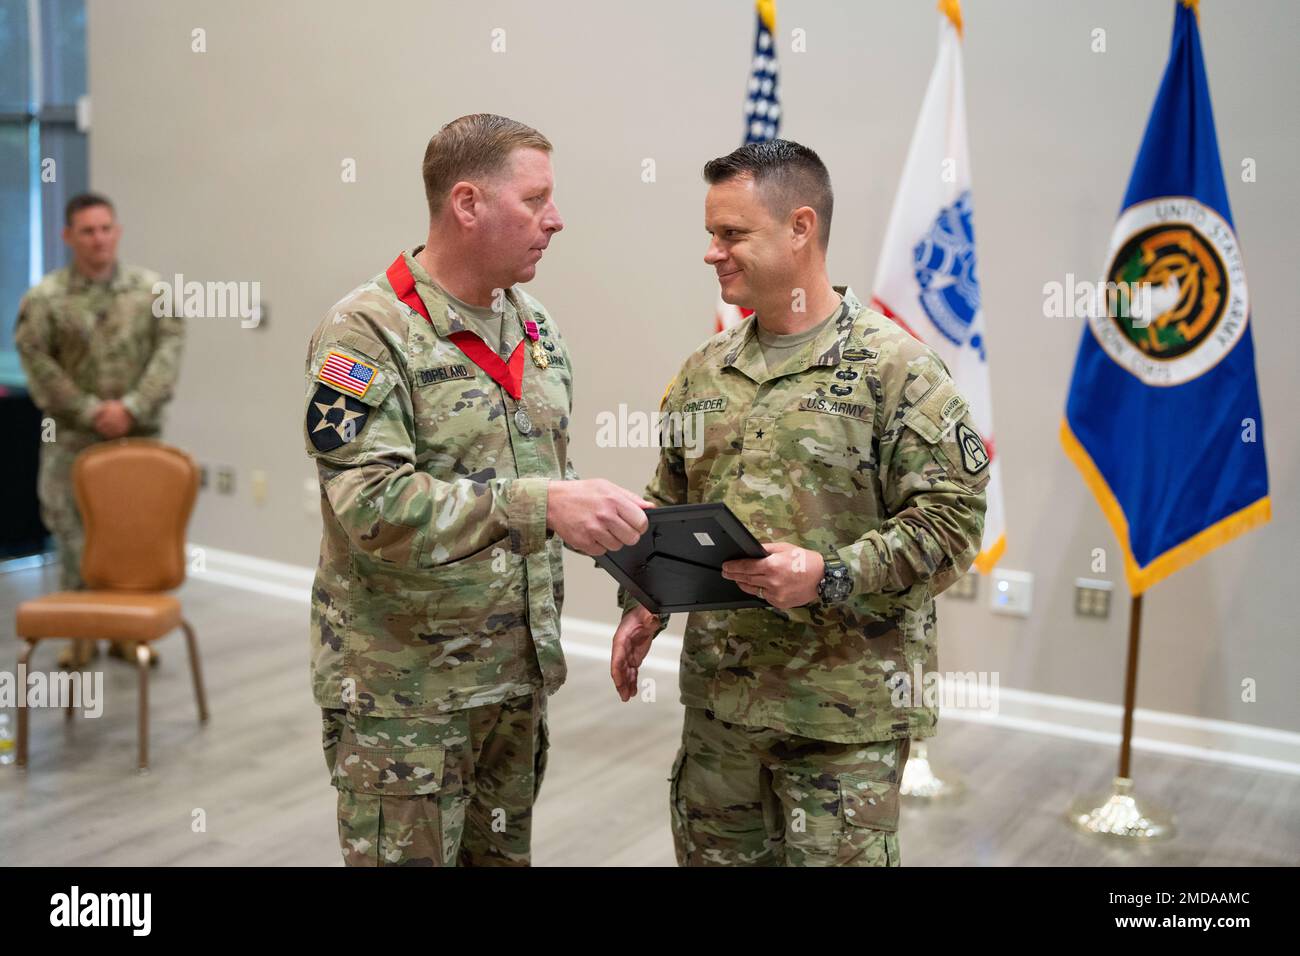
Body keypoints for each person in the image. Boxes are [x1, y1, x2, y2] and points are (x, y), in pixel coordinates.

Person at [610, 140, 989, 866]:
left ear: (800, 227)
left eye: (731, 234)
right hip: (722, 713)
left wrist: (828, 574)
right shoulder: (704, 372)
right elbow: (668, 507)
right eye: (710, 235)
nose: (712, 253)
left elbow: (950, 526)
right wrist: (644, 604)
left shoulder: (897, 371)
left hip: (842, 718)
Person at [307, 113, 650, 866]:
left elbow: (551, 484)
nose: (555, 220)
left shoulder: (536, 330)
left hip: (512, 689)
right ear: (467, 204)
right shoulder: (365, 333)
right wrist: (541, 503)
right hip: (407, 701)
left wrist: (642, 548)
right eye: (536, 200)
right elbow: (369, 506)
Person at [14, 192, 183, 669]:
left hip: (138, 438)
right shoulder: (45, 299)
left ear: (118, 231)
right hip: (72, 439)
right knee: (73, 534)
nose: (98, 239)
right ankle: (80, 634)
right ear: (68, 236)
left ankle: (128, 633)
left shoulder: (151, 292)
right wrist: (91, 411)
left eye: (106, 228)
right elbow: (38, 363)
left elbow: (167, 355)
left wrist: (130, 408)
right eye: (87, 231)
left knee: (133, 534)